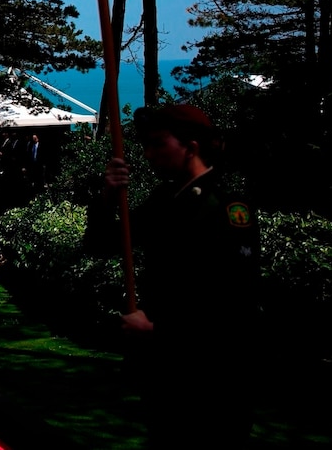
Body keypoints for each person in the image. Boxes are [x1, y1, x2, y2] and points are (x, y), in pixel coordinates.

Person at [93, 104, 258, 447]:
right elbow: (100, 244)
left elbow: (233, 306)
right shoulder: (164, 201)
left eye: (158, 144)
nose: (148, 154)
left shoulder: (226, 209)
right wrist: (108, 196)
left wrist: (158, 331)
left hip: (213, 382)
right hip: (166, 376)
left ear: (191, 147)